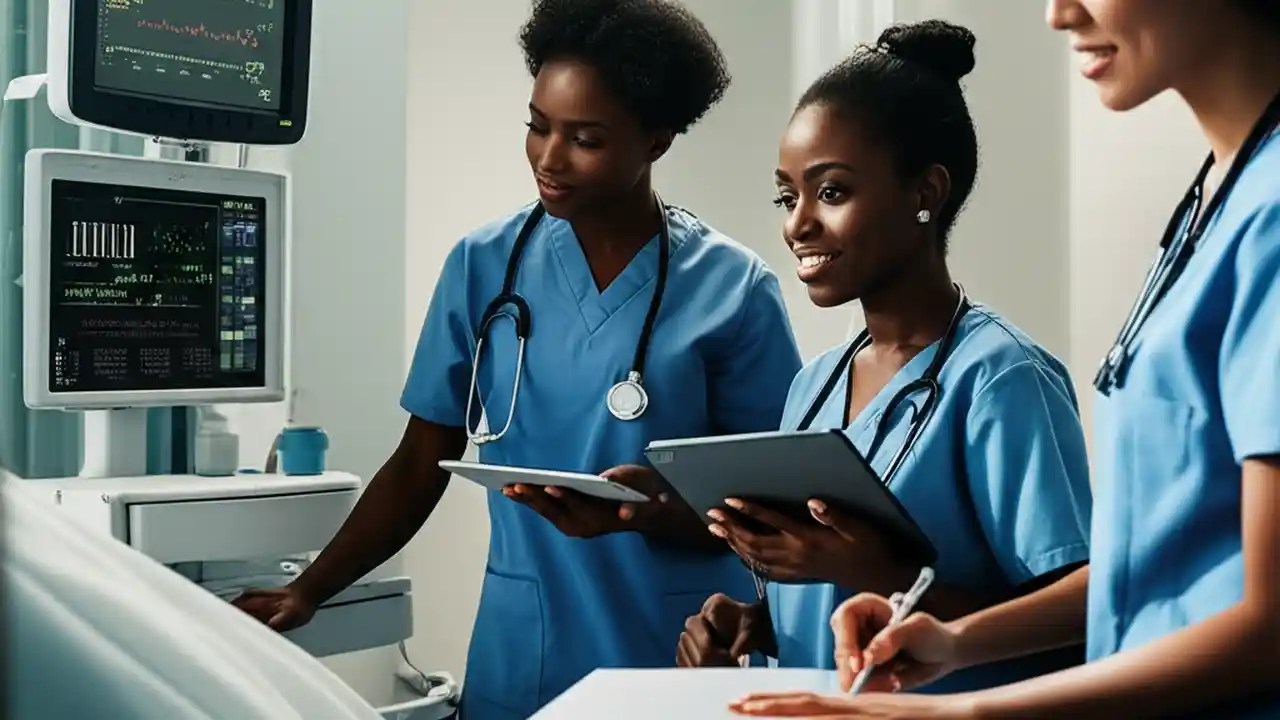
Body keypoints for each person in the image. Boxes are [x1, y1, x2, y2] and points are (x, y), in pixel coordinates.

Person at [231, 1, 803, 717]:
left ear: (656, 141)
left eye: (586, 139)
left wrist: (645, 514)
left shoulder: (733, 290)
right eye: (538, 125)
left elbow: (774, 514)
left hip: (676, 644)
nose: (549, 158)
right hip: (524, 646)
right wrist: (309, 589)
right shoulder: (484, 266)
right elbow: (419, 463)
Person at [728, 1, 1280, 719]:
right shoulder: (1215, 203)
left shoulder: (1266, 217)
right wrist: (954, 641)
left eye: (831, 190)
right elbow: (1137, 576)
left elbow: (1266, 622)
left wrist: (958, 709)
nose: (1057, 14)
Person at [676, 18, 1092, 695]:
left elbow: (1077, 623)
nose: (797, 223)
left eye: (831, 191)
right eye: (789, 195)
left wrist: (885, 574)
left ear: (925, 193)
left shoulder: (1001, 378)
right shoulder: (813, 385)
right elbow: (835, 609)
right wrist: (760, 624)